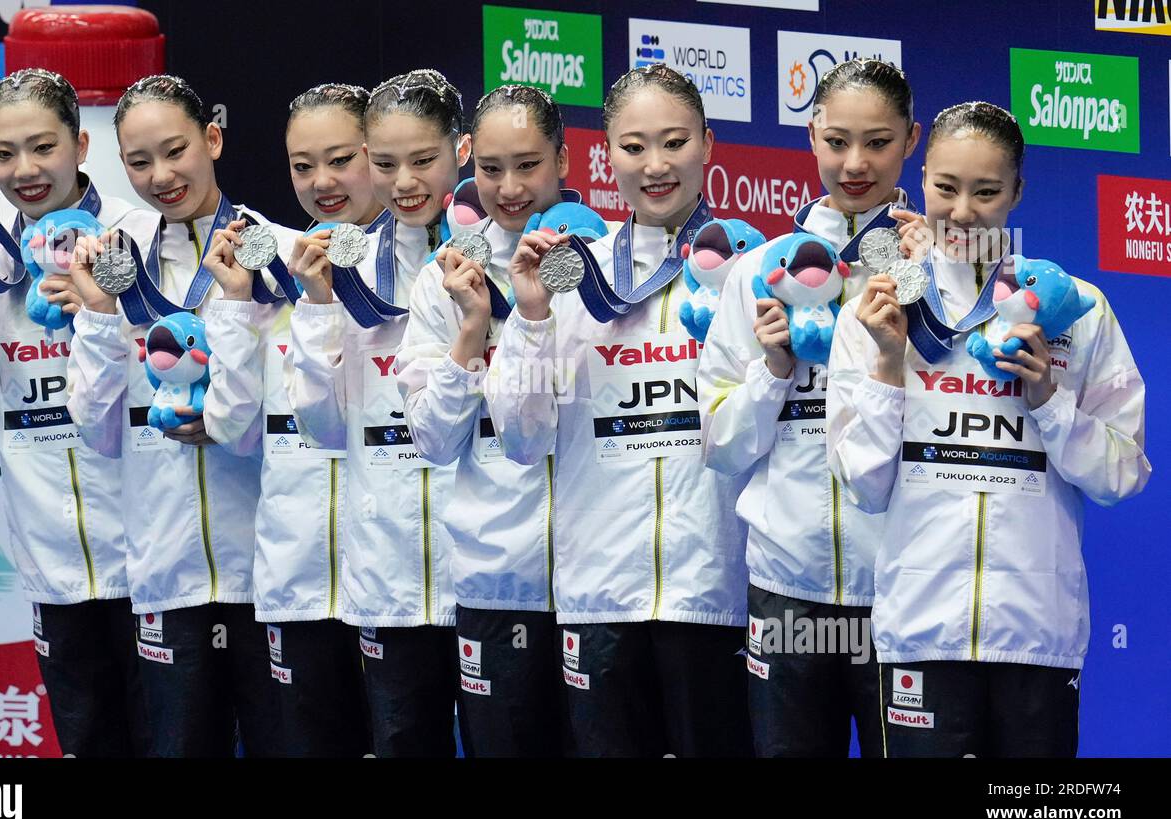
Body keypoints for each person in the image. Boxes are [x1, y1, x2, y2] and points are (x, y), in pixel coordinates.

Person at [826, 101, 1151, 757]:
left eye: (986, 191)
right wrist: (889, 365)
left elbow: (1123, 473)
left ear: (1018, 192)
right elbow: (862, 483)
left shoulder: (1078, 311)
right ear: (921, 181)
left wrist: (1049, 402)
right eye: (946, 187)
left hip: (1037, 638)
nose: (964, 212)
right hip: (920, 631)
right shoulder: (884, 306)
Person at [486, 64, 752, 757]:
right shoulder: (574, 272)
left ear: (709, 144)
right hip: (600, 598)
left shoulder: (752, 273)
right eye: (634, 147)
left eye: (675, 143)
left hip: (713, 595)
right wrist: (534, 314)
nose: (656, 166)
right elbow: (521, 433)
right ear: (606, 156)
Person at [0, 68, 154, 757]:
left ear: (81, 146)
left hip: (153, 561)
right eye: (3, 153)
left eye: (42, 147)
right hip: (54, 566)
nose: (24, 170)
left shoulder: (138, 234)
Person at [697, 58, 921, 757]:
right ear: (811, 135)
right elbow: (723, 448)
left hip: (904, 588)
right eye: (838, 141)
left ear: (911, 141)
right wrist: (772, 371)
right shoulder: (755, 274)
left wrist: (928, 278)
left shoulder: (939, 276)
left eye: (879, 143)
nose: (856, 163)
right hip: (785, 589)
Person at [66, 75, 294, 757]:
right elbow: (98, 431)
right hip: (166, 571)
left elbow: (299, 419)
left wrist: (228, 411)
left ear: (213, 139)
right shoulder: (113, 262)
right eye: (139, 162)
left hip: (269, 574)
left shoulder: (278, 252)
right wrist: (102, 318)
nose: (161, 175)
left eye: (176, 151)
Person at [198, 83, 384, 757]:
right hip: (298, 584)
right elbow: (238, 428)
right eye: (303, 166)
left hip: (399, 586)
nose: (322, 182)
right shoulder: (270, 274)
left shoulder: (429, 273)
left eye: (341, 159)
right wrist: (236, 306)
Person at [287, 69, 468, 757]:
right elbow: (325, 429)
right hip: (388, 580)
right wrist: (317, 307)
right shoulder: (344, 267)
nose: (405, 181)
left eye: (423, 160)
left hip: (486, 569)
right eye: (385, 162)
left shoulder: (505, 258)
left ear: (463, 151)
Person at [395, 84, 575, 756]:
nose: (509, 187)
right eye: (491, 169)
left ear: (564, 157)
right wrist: (471, 333)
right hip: (497, 578)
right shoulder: (444, 280)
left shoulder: (611, 267)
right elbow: (435, 440)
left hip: (601, 580)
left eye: (528, 165)